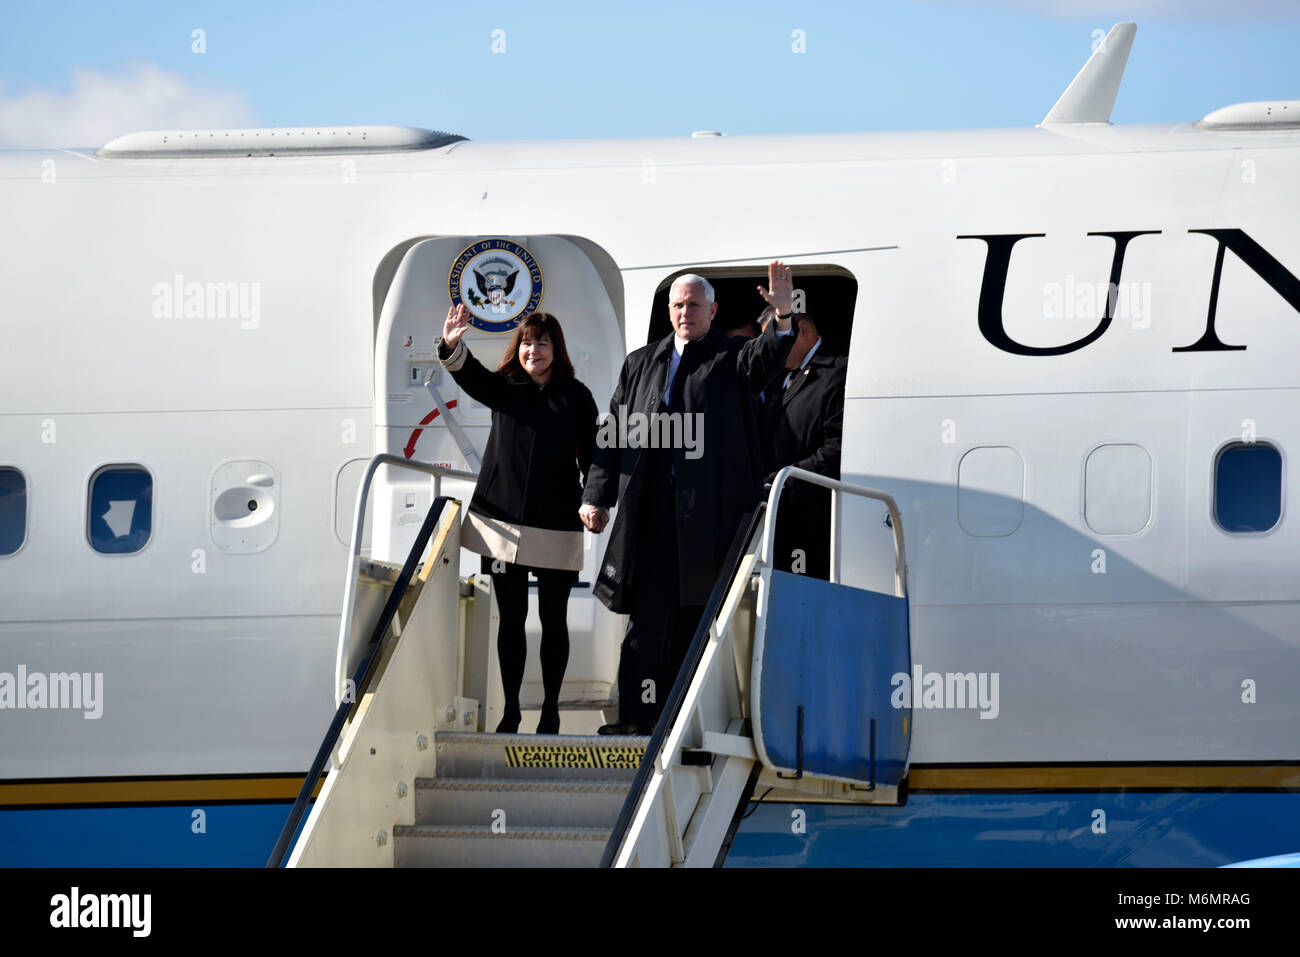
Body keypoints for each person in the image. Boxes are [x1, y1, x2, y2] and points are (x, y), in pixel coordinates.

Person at [580, 262, 798, 735]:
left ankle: (686, 723)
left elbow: (767, 358)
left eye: (694, 304)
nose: (685, 312)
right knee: (646, 620)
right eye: (678, 304)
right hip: (651, 515)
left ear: (712, 310)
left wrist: (782, 316)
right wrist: (596, 496)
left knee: (695, 619)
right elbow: (611, 433)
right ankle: (637, 718)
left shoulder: (733, 355)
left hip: (709, 517)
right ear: (668, 310)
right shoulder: (640, 362)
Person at [438, 305, 598, 734]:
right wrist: (452, 344)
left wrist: (594, 499)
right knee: (510, 619)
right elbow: (469, 375)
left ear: (555, 349)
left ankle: (550, 711)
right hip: (501, 524)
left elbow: (594, 456)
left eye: (541, 344)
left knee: (553, 620)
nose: (532, 351)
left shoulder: (577, 397)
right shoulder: (505, 388)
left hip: (557, 522)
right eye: (526, 343)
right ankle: (510, 710)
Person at [757, 308, 847, 581]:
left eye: (778, 339)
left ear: (804, 330)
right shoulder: (777, 377)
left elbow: (838, 448)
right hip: (781, 513)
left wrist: (785, 479)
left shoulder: (838, 373)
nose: (772, 349)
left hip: (814, 516)